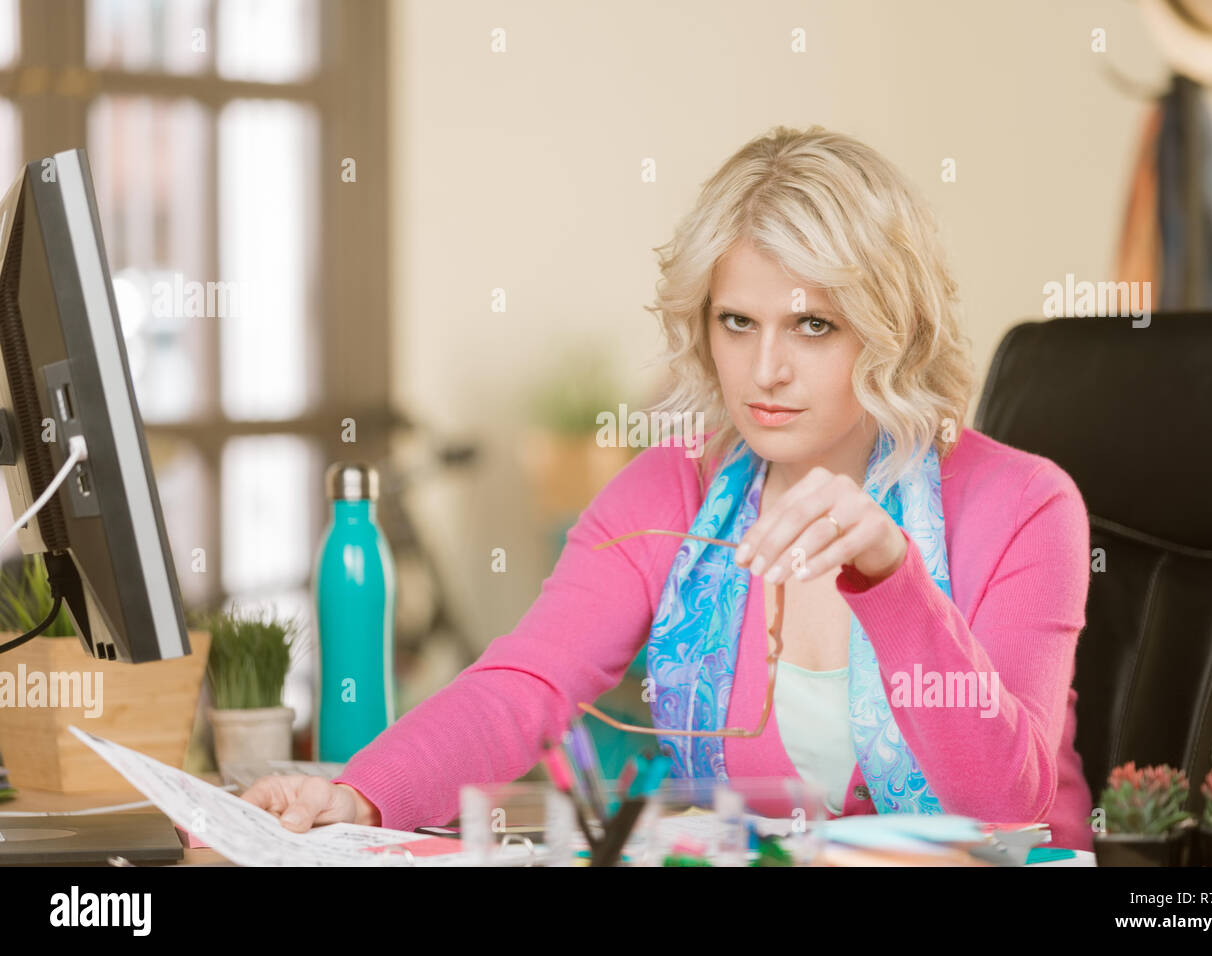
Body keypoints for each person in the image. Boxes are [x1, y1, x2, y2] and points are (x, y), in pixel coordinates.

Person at [241, 125, 1095, 852]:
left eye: (813, 325)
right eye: (737, 322)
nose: (766, 370)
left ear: (891, 334)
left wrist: (890, 579)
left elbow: (1004, 813)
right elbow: (526, 686)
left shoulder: (1026, 505)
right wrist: (359, 796)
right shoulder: (670, 490)